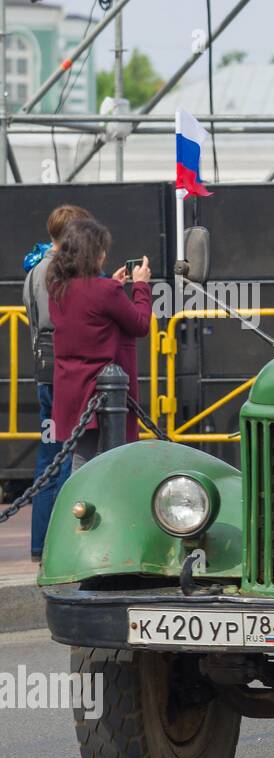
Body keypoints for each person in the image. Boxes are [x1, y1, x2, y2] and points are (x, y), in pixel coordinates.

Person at [46, 219, 152, 471]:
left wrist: (113, 286)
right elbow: (140, 324)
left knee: (81, 460)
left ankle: (77, 509)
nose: (105, 254)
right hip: (104, 392)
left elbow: (89, 312)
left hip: (71, 388)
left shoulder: (58, 287)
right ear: (93, 253)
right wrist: (140, 286)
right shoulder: (104, 291)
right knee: (112, 463)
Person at [22, 204, 91, 561]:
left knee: (49, 455)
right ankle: (63, 541)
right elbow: (59, 321)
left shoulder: (34, 269)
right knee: (67, 456)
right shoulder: (58, 271)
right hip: (62, 373)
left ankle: (40, 542)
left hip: (42, 371)